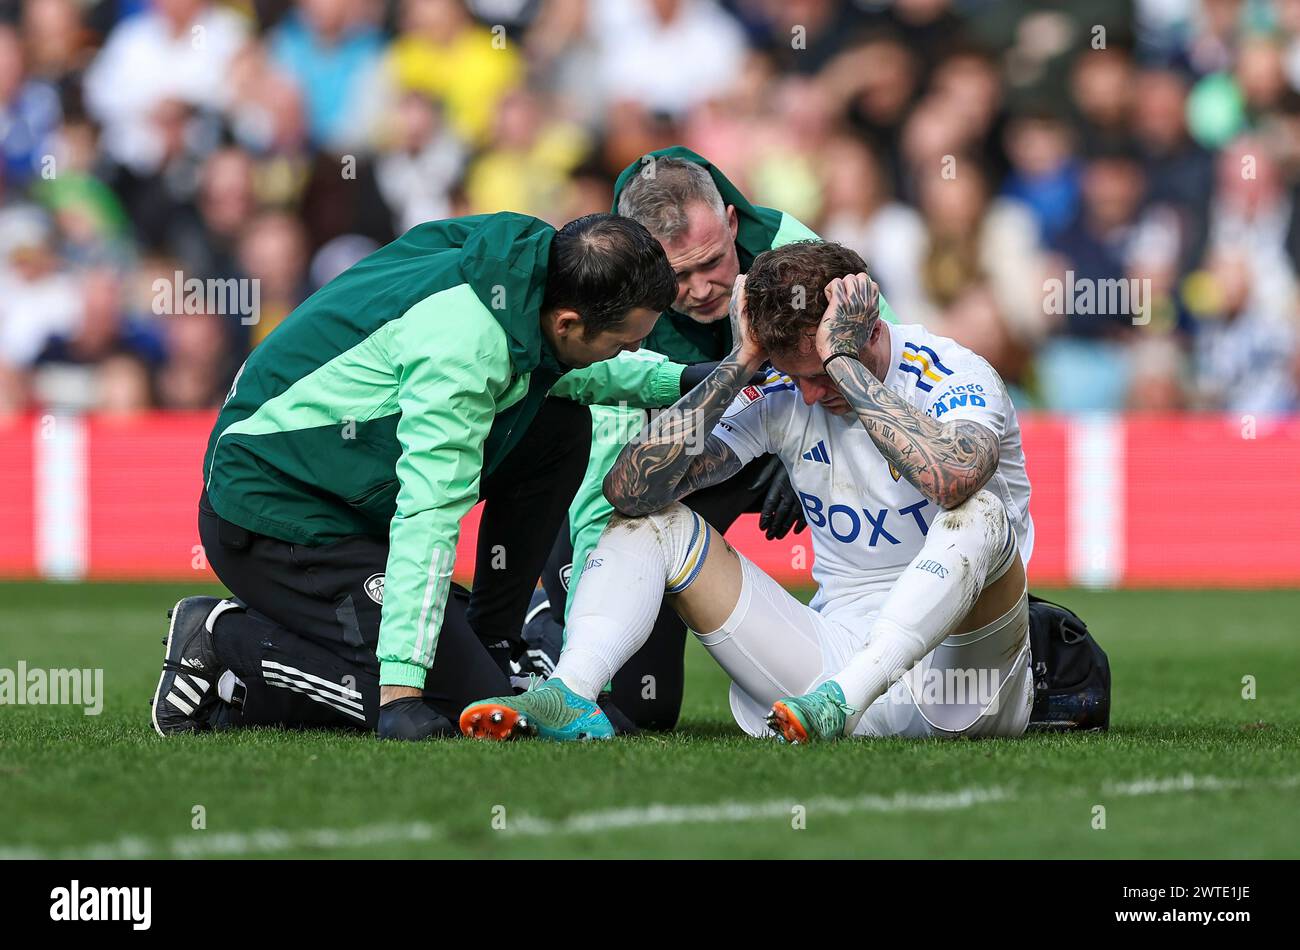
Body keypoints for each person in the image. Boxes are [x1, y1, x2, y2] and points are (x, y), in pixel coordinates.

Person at [462, 241, 1036, 743]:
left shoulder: (957, 372)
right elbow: (631, 489)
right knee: (651, 521)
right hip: (826, 671)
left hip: (967, 681)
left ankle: (846, 698)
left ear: (874, 329)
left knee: (980, 509)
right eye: (800, 376)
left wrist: (844, 364)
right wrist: (740, 363)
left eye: (824, 374)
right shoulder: (785, 385)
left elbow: (953, 477)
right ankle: (570, 691)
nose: (811, 395)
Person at [150, 211, 685, 741]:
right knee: (468, 711)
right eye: (623, 344)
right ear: (568, 322)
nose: (631, 352)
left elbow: (568, 366)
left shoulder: (523, 266)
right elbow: (427, 518)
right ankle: (225, 641)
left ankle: (495, 642)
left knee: (558, 423)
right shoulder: (462, 350)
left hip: (340, 501)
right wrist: (401, 693)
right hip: (273, 516)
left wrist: (678, 380)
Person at [526, 147, 901, 731]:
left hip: (807, 438)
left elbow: (886, 370)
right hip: (684, 462)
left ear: (731, 223)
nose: (702, 289)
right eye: (676, 277)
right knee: (642, 710)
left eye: (713, 263)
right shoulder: (614, 298)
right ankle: (548, 623)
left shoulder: (792, 252)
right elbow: (612, 480)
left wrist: (799, 446)